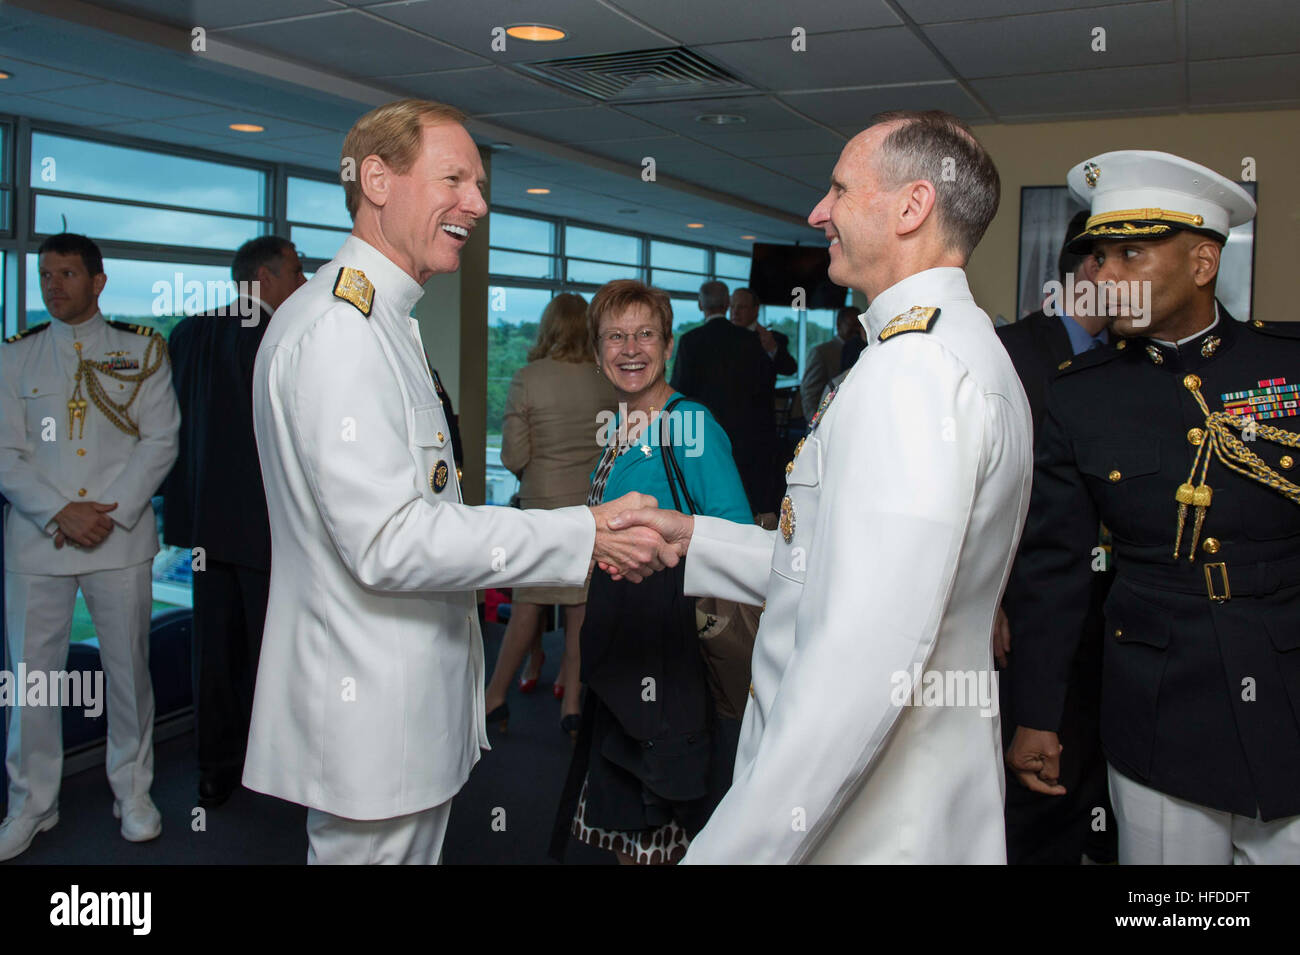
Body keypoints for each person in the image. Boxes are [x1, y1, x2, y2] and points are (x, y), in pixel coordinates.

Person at [242, 99, 670, 866]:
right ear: (376, 179)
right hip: (373, 704)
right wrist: (584, 529)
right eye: (454, 178)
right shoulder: (341, 331)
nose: (477, 201)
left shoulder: (383, 319)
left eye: (479, 183)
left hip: (401, 699)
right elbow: (388, 540)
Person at [610, 110, 1031, 863]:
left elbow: (864, 662)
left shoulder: (916, 374)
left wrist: (727, 853)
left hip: (867, 817)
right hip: (905, 795)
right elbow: (830, 561)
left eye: (838, 189)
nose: (818, 212)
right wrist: (696, 535)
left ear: (913, 207)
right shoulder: (955, 349)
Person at [1005, 150, 1300, 864]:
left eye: (1130, 253)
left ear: (1203, 263)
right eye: (1098, 257)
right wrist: (1038, 715)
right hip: (1159, 702)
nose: (1103, 275)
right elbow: (1053, 568)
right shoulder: (1081, 395)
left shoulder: (1285, 367)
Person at [552, 279, 752, 865]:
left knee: (660, 838)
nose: (630, 348)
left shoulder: (691, 427)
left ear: (667, 346)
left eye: (644, 334)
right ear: (596, 352)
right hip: (621, 660)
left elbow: (740, 541)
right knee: (631, 841)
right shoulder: (617, 431)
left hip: (671, 665)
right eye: (615, 336)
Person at [0, 233, 179, 860]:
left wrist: (114, 512)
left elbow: (161, 440)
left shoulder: (142, 351)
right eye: (46, 275)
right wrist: (60, 512)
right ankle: (31, 804)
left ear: (97, 282)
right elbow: (5, 453)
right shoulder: (13, 357)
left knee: (128, 673)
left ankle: (133, 791)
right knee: (33, 683)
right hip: (38, 541)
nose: (53, 286)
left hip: (117, 539)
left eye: (68, 274)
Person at [163, 235, 305, 809]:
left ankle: (213, 768)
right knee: (273, 651)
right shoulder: (281, 335)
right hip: (264, 526)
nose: (303, 281)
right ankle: (272, 765)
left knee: (214, 651)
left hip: (201, 524)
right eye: (295, 271)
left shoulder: (187, 333)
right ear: (265, 278)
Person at [995, 211, 1116, 864]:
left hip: (1114, 625)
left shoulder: (1132, 361)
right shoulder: (1011, 353)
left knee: (1094, 796)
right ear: (1094, 266)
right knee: (1034, 801)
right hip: (1028, 623)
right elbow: (976, 491)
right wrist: (982, 598)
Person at [487, 292, 616, 735]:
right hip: (590, 510)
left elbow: (512, 455)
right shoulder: (606, 381)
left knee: (529, 604)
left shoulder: (528, 378)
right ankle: (573, 705)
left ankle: (494, 698)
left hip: (542, 508)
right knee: (580, 609)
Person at [670, 284, 779, 520]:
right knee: (742, 500)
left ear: (701, 305)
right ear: (727, 305)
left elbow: (680, 393)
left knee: (707, 500)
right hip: (747, 435)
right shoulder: (749, 339)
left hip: (703, 433)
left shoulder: (690, 341)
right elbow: (764, 387)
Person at [801, 306, 861, 414]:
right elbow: (810, 393)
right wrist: (816, 424)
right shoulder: (821, 352)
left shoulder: (864, 352)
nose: (856, 330)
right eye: (852, 325)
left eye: (859, 326)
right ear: (838, 325)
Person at [730, 287, 796, 377]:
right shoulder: (720, 336)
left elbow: (790, 369)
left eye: (742, 307)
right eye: (732, 306)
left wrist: (772, 350)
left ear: (755, 310)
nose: (735, 312)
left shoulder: (774, 339)